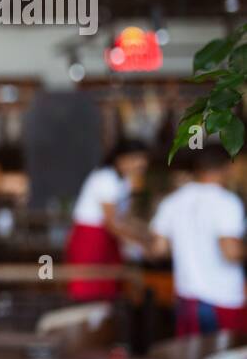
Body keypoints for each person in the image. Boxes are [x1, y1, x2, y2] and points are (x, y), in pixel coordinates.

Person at [147, 148, 247, 334]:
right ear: (228, 168)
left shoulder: (172, 201)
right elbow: (230, 252)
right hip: (222, 298)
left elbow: (158, 249)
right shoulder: (227, 201)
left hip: (186, 299)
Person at [64, 139, 150, 301]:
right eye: (135, 160)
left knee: (108, 288)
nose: (140, 165)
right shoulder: (105, 178)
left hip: (106, 240)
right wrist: (138, 242)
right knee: (90, 288)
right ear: (121, 160)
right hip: (91, 240)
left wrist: (144, 233)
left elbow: (123, 218)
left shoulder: (123, 182)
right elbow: (112, 222)